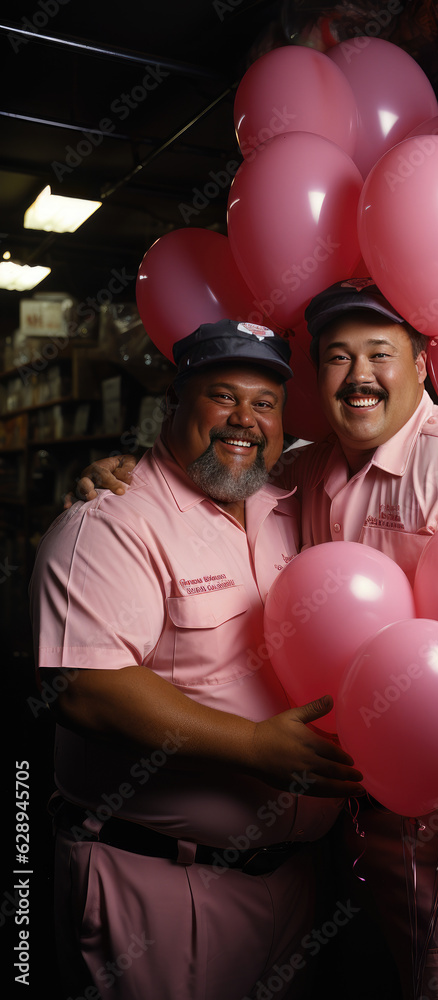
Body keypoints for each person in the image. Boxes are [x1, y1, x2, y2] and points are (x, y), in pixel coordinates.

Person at [70, 280, 438, 1000]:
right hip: (364, 816)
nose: (359, 375)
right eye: (337, 358)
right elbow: (218, 457)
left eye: (379, 353)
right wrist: (128, 468)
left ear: (423, 362)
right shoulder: (303, 470)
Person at [30, 319, 364, 1000]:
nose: (245, 419)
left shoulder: (293, 507)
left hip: (293, 882)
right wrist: (250, 745)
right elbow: (85, 690)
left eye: (265, 403)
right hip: (157, 883)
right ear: (173, 403)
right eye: (222, 396)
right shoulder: (111, 522)